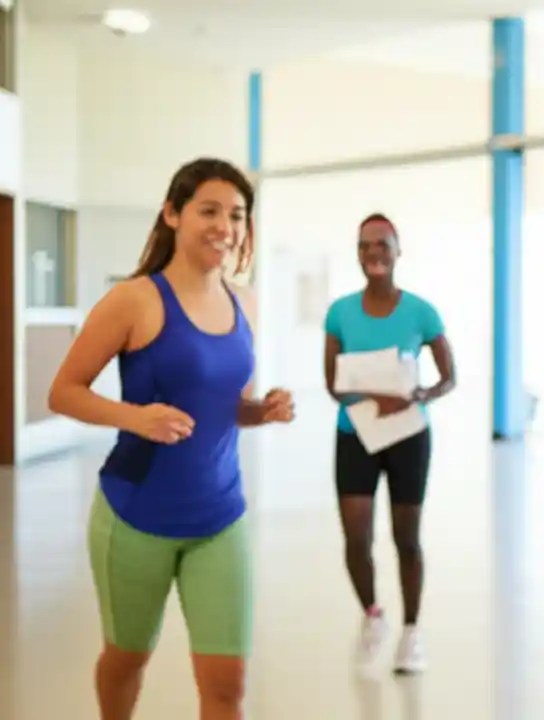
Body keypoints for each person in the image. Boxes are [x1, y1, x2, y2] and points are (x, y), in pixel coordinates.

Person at [47, 157, 295, 720]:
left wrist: (263, 410)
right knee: (126, 660)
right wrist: (135, 418)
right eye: (209, 210)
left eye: (237, 214)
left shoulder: (245, 302)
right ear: (172, 214)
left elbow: (228, 407)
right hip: (135, 516)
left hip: (220, 516)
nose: (225, 226)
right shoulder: (135, 300)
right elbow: (63, 392)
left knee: (227, 684)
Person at [323, 213, 456, 674]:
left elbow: (448, 377)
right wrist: (372, 397)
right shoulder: (340, 312)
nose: (373, 253)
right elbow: (332, 384)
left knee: (407, 539)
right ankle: (373, 615)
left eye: (382, 244)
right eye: (365, 245)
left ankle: (412, 633)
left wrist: (419, 395)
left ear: (398, 251)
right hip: (355, 434)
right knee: (356, 538)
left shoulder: (421, 312)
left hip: (407, 437)